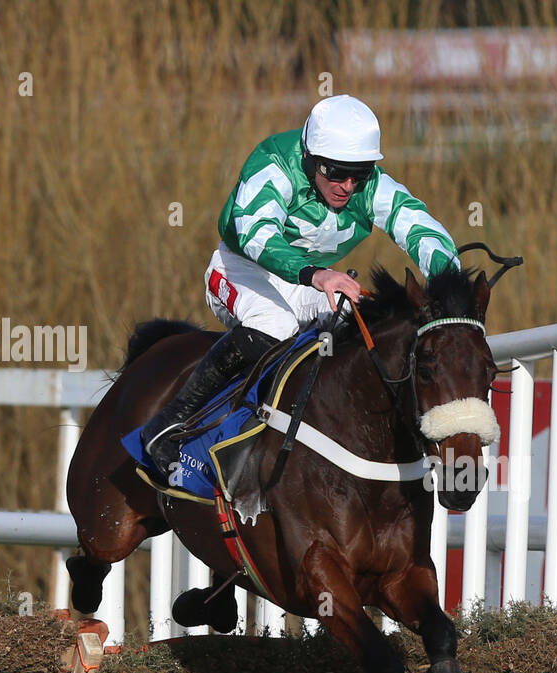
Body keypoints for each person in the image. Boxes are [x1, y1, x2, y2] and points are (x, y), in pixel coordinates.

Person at [140, 94, 461, 480]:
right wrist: (315, 274)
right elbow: (256, 234)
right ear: (309, 158)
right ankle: (168, 424)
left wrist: (449, 287)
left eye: (357, 175)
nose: (346, 187)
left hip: (309, 279)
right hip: (240, 267)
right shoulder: (274, 163)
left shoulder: (367, 186)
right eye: (335, 172)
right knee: (274, 323)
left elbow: (419, 227)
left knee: (368, 323)